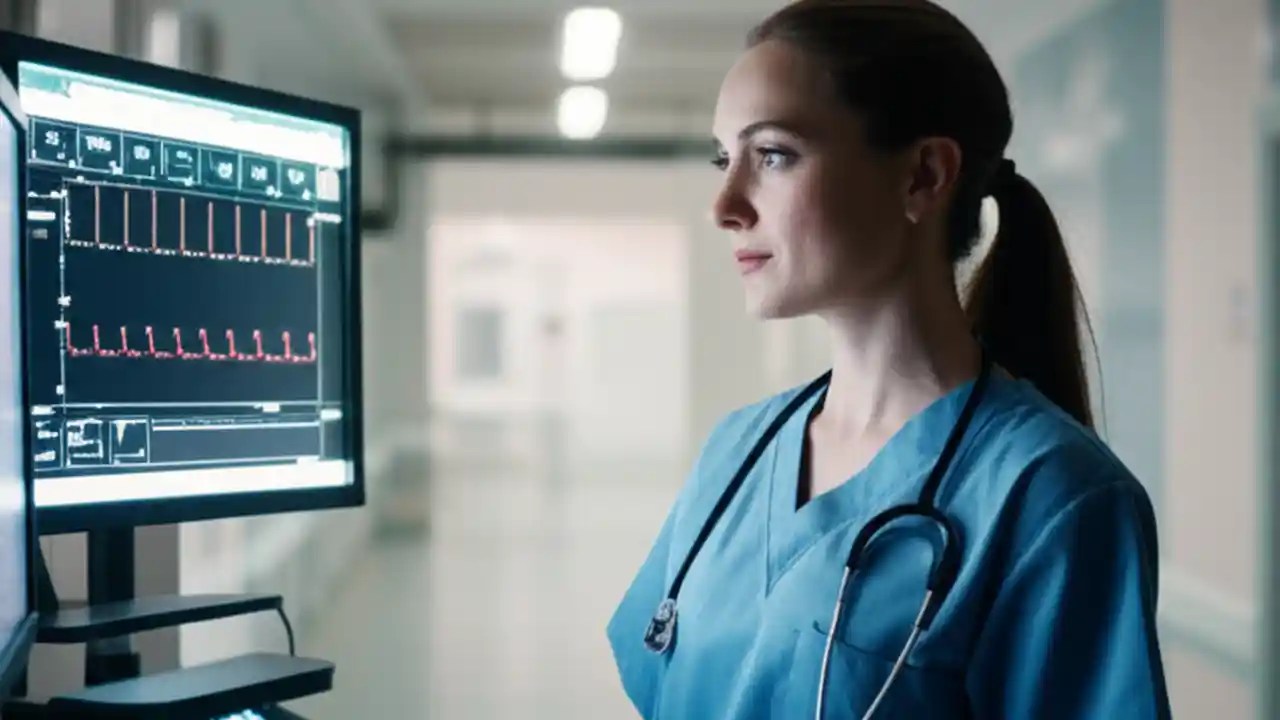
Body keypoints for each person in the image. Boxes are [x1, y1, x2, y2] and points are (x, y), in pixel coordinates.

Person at [606, 1, 1171, 718]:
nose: (725, 204)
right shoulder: (739, 453)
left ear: (924, 177)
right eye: (725, 159)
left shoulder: (1053, 498)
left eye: (772, 155)